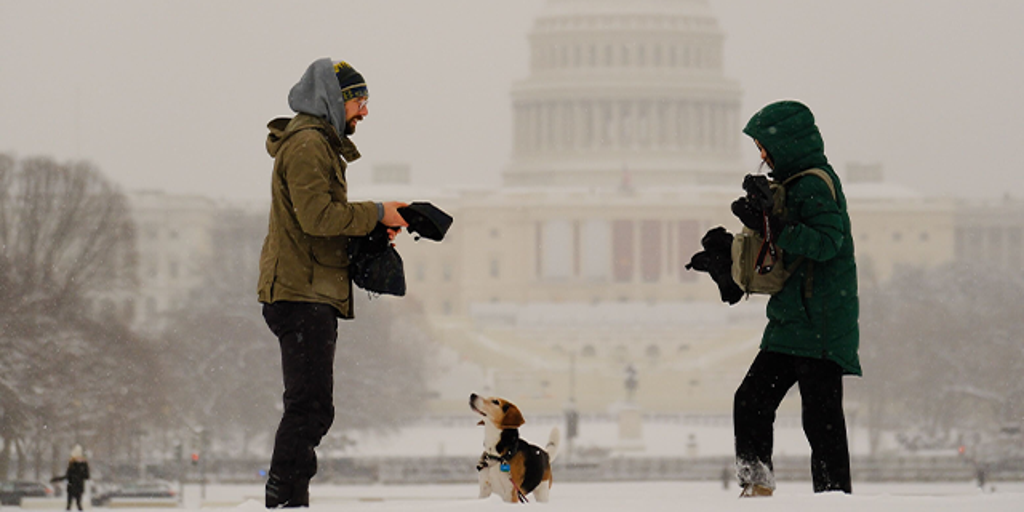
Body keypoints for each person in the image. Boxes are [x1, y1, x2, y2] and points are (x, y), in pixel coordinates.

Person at [257, 57, 408, 508]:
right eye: (359, 101)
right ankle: (285, 498)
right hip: (301, 293)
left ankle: (289, 496)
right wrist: (377, 212)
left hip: (309, 291)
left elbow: (318, 223)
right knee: (309, 406)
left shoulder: (317, 143)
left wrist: (372, 232)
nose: (365, 111)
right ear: (334, 100)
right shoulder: (308, 145)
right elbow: (317, 218)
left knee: (312, 405)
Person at [729, 100, 860, 497]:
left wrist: (774, 223)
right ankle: (757, 485)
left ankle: (834, 498)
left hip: (821, 322)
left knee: (820, 420)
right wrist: (730, 260)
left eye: (764, 146)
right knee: (751, 401)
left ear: (785, 143)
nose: (762, 156)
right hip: (791, 320)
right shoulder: (790, 185)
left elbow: (826, 243)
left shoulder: (815, 184)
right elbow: (780, 256)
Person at [50, 444, 89, 511]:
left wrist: (56, 479)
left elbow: (67, 476)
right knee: (78, 504)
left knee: (69, 505)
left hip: (71, 487)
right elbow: (87, 477)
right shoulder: (84, 464)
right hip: (79, 487)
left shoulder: (72, 464)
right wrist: (80, 476)